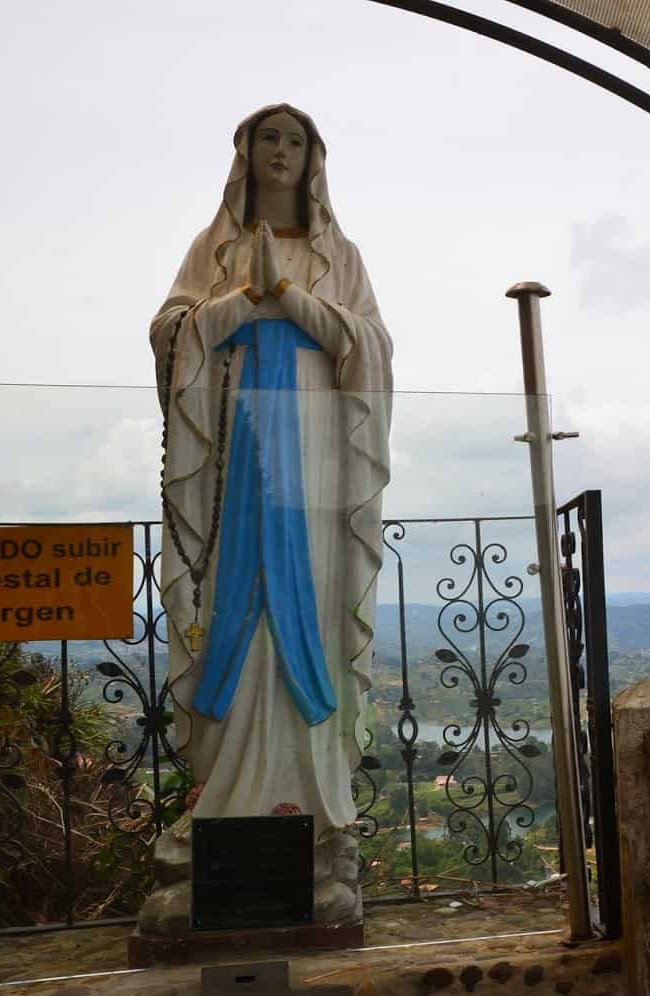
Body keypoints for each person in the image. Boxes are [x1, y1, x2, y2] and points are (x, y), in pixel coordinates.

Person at [150, 103, 391, 841]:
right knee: (229, 590)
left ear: (313, 157)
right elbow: (171, 331)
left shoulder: (339, 257)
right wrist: (238, 302)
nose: (280, 150)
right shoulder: (212, 248)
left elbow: (373, 347)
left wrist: (288, 298)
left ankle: (310, 791)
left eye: (293, 139)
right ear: (245, 152)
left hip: (315, 460)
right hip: (235, 449)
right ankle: (223, 788)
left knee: (313, 595)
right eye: (267, 138)